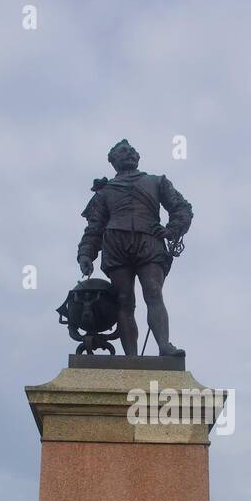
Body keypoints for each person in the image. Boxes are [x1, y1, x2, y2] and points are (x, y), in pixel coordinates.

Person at [77, 140, 192, 357]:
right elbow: (94, 228)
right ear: (113, 161)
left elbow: (182, 208)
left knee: (153, 291)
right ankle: (131, 357)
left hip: (149, 241)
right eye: (123, 151)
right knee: (124, 300)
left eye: (132, 150)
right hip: (116, 245)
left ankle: (164, 346)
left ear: (138, 157)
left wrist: (171, 230)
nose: (129, 153)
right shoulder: (104, 192)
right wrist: (85, 253)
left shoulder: (157, 181)